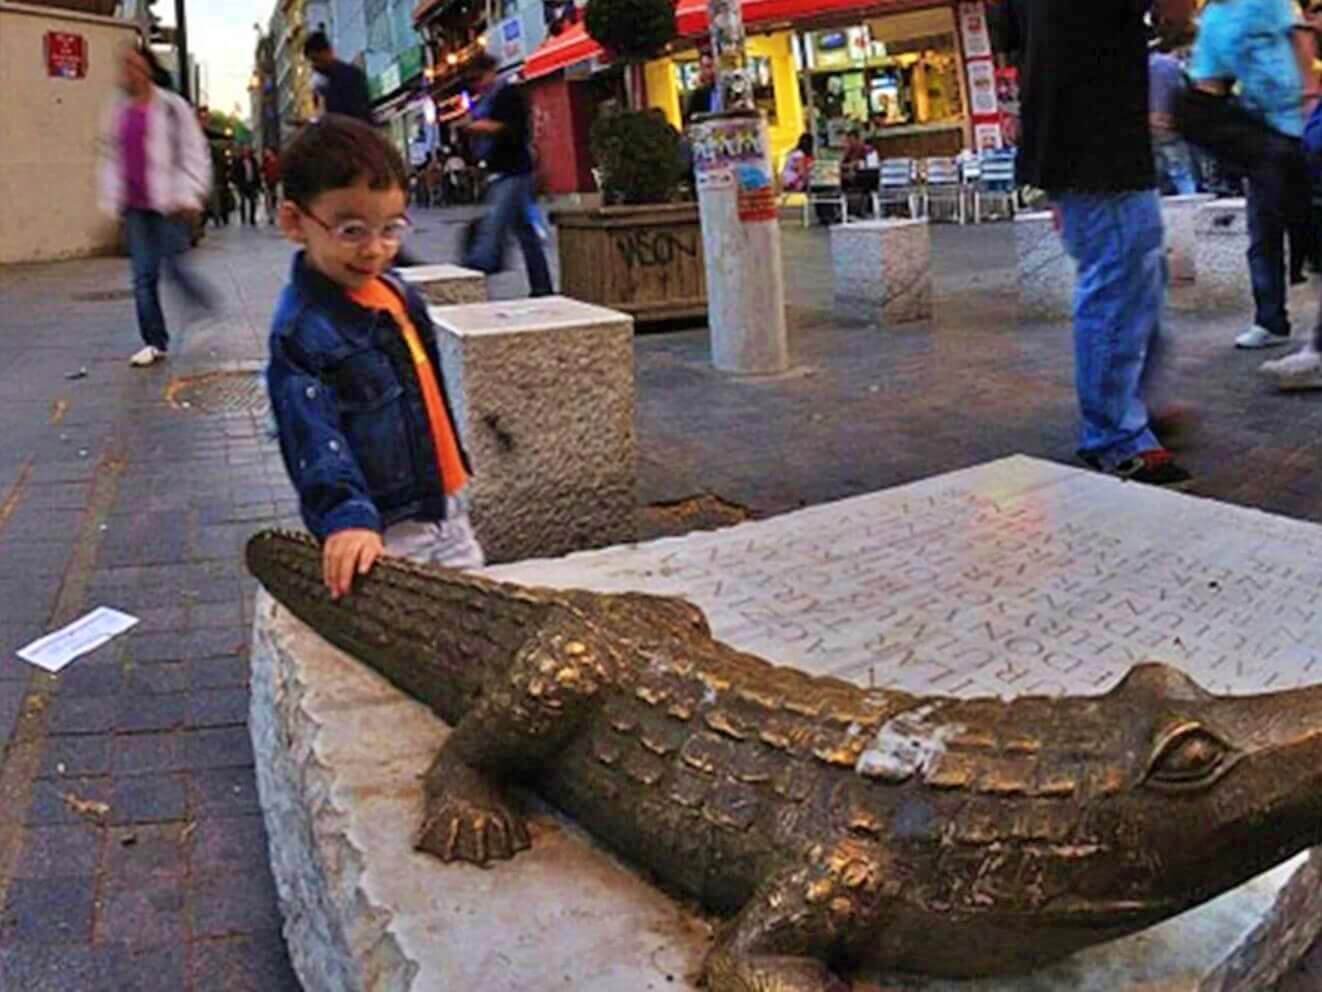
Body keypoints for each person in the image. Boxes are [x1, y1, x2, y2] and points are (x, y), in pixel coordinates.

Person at [267, 115, 483, 599]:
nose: (374, 249)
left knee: (476, 613)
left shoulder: (398, 295)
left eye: (390, 229)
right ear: (295, 222)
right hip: (384, 530)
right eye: (351, 230)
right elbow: (313, 437)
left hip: (444, 503)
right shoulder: (303, 330)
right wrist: (345, 518)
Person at [996, 0, 1193, 486]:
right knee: (1120, 282)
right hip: (1103, 137)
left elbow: (1010, 38)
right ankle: (1115, 434)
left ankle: (1134, 405)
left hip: (1062, 137)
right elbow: (1175, 12)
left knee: (1134, 276)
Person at [1186, 0, 1307, 349]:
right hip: (1259, 137)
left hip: (1299, 125)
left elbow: (1299, 39)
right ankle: (1270, 321)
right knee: (1263, 233)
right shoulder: (1214, 18)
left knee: (1307, 225)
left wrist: (1310, 94)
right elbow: (1210, 82)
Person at [98, 43, 214, 368]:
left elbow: (194, 151)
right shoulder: (118, 110)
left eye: (136, 65)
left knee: (175, 267)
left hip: (168, 201)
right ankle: (154, 342)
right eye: (126, 66)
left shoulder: (171, 107)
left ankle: (204, 310)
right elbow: (110, 156)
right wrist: (111, 199)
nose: (130, 72)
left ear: (148, 68)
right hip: (134, 204)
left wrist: (192, 193)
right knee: (142, 276)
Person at [460, 53, 553, 297]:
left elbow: (510, 129)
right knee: (525, 233)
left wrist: (476, 127)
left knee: (494, 226)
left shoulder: (507, 95)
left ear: (490, 72)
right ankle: (542, 287)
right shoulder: (489, 99)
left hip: (512, 170)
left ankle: (475, 270)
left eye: (478, 78)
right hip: (508, 170)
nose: (477, 84)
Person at [1149, 46, 1199, 196]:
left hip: (1150, 122)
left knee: (1158, 172)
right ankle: (1191, 202)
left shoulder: (1149, 64)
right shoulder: (1174, 65)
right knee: (1181, 170)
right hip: (1171, 121)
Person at [304, 31, 373, 123]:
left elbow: (359, 115)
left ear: (327, 52)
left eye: (316, 59)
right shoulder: (321, 85)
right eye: (311, 61)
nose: (314, 65)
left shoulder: (351, 76)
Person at [684, 53, 717, 124]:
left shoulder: (731, 90)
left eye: (716, 66)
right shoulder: (697, 96)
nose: (713, 71)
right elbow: (691, 121)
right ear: (701, 70)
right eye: (708, 67)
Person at [235, 147, 262, 226]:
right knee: (242, 202)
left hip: (252, 184)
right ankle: (243, 218)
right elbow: (235, 172)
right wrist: (237, 182)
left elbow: (257, 173)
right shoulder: (239, 161)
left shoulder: (254, 161)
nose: (247, 153)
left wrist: (258, 184)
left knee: (253, 201)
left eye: (248, 152)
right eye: (245, 152)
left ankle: (252, 218)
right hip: (242, 184)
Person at [262, 147, 282, 223]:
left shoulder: (277, 161)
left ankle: (274, 215)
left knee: (275, 199)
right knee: (269, 200)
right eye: (266, 152)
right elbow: (263, 171)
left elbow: (279, 171)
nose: (267, 153)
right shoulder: (265, 162)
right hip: (268, 183)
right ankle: (271, 216)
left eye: (268, 152)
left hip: (276, 182)